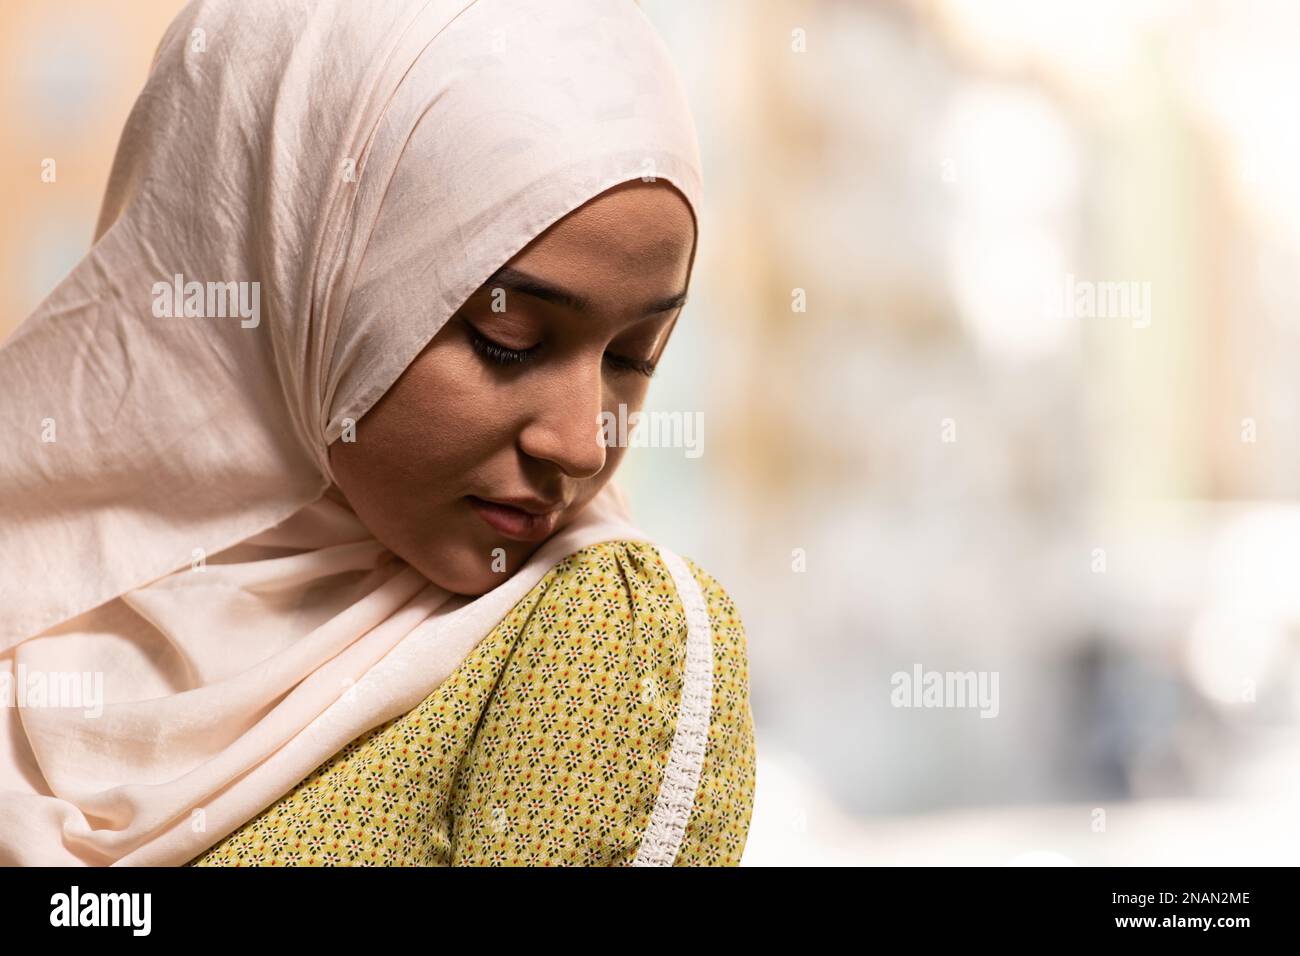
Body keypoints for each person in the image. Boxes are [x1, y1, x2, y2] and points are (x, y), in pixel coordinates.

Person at [0, 0, 755, 866]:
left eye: (636, 356)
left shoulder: (598, 650)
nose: (583, 445)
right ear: (286, 268)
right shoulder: (32, 593)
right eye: (509, 341)